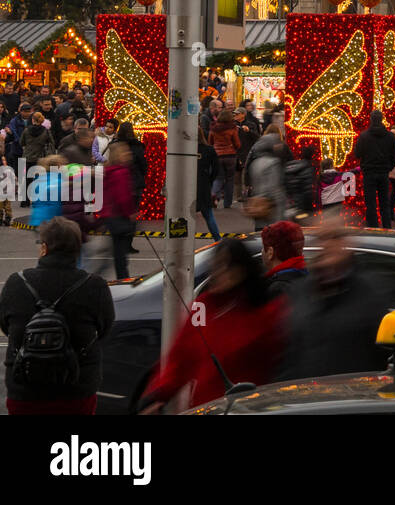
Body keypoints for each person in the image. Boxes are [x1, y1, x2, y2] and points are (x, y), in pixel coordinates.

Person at [140, 238, 286, 412]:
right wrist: (157, 396)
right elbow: (180, 358)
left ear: (242, 270)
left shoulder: (265, 311)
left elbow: (278, 367)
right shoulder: (203, 306)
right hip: (205, 408)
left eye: (226, 266)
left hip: (248, 408)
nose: (218, 272)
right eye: (216, 265)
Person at [0, 218, 114, 414]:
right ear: (77, 249)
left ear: (44, 248)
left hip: (25, 390)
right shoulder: (94, 285)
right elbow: (104, 329)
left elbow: (5, 326)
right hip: (76, 389)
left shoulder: (16, 283)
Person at [280, 226, 390, 379]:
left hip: (351, 395)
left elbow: (384, 354)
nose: (328, 244)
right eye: (322, 238)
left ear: (347, 243)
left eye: (335, 237)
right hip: (307, 396)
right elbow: (290, 353)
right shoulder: (301, 290)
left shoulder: (372, 290)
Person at [97, 144, 137, 280]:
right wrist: (130, 213)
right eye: (125, 153)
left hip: (110, 216)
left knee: (115, 252)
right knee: (120, 254)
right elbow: (123, 196)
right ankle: (123, 278)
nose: (128, 155)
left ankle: (119, 276)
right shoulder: (121, 172)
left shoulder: (109, 171)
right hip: (119, 216)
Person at [354, 110, 395, 229]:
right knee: (384, 203)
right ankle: (387, 227)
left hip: (369, 173)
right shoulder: (389, 136)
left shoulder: (364, 136)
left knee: (371, 204)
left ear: (371, 119)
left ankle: (372, 228)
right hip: (383, 173)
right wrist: (389, 167)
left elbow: (357, 153)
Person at [262, 220, 308, 299]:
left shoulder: (277, 289)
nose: (262, 251)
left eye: (263, 247)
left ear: (270, 252)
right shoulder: (308, 277)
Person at [208, 109, 241, 210]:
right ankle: (227, 203)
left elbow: (210, 142)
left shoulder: (213, 128)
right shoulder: (233, 128)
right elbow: (237, 143)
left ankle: (213, 194)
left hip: (217, 156)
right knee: (230, 179)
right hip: (230, 156)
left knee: (218, 178)